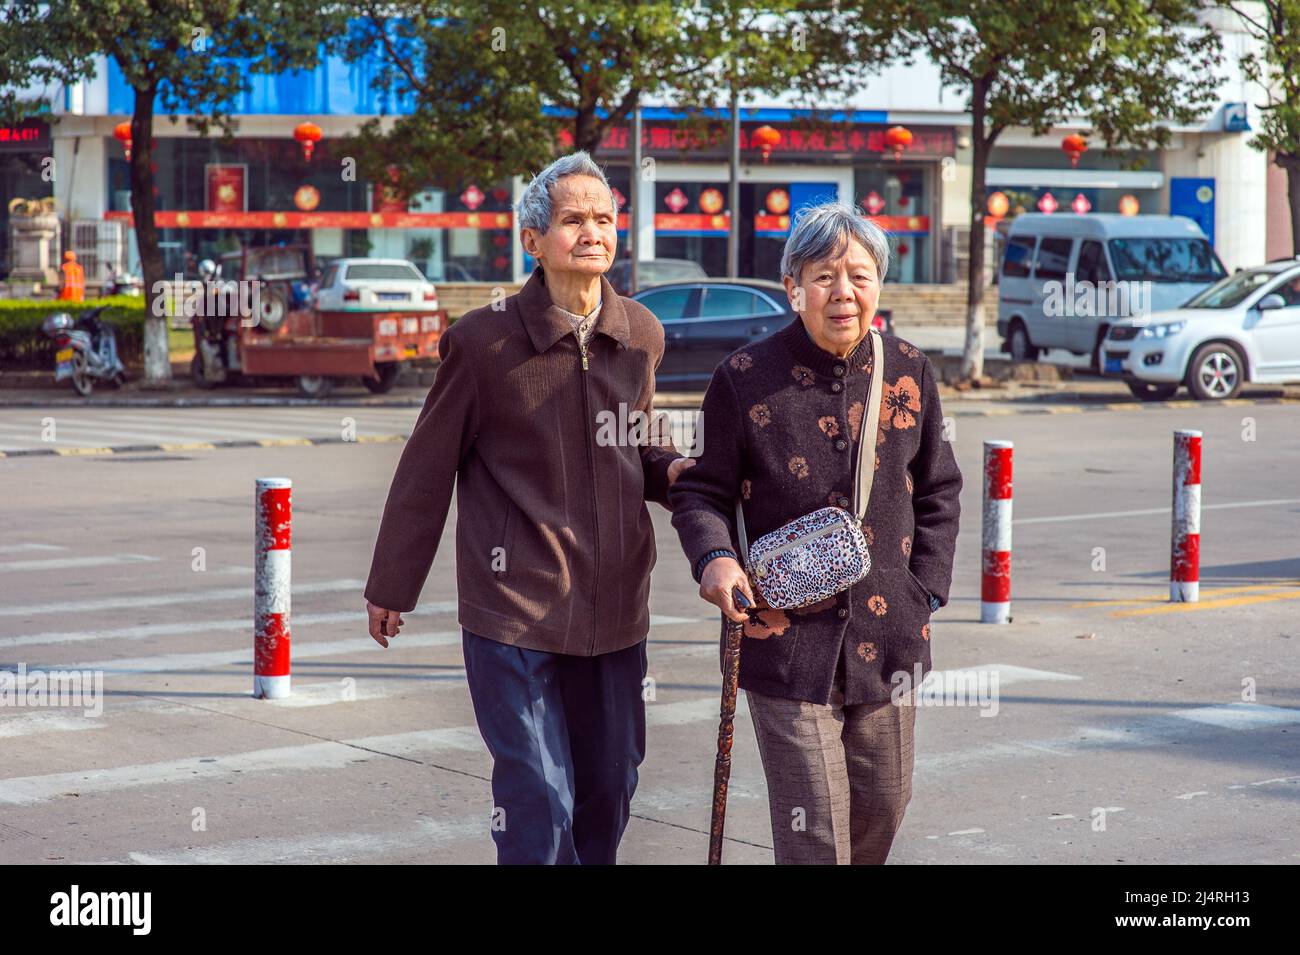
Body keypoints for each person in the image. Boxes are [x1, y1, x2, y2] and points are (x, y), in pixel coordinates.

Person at [363, 150, 693, 865]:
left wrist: (689, 475)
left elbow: (641, 444)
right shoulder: (484, 343)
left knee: (609, 790)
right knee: (539, 801)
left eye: (604, 218)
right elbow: (427, 466)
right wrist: (392, 585)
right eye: (573, 219)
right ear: (533, 240)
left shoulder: (639, 332)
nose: (592, 232)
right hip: (513, 608)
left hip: (614, 609)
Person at [668, 200, 963, 864]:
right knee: (816, 832)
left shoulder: (910, 370)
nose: (843, 293)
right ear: (791, 286)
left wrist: (926, 591)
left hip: (889, 637)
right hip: (781, 637)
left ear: (879, 284)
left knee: (884, 806)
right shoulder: (743, 379)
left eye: (859, 275)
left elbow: (940, 485)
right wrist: (714, 557)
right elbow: (700, 488)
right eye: (824, 276)